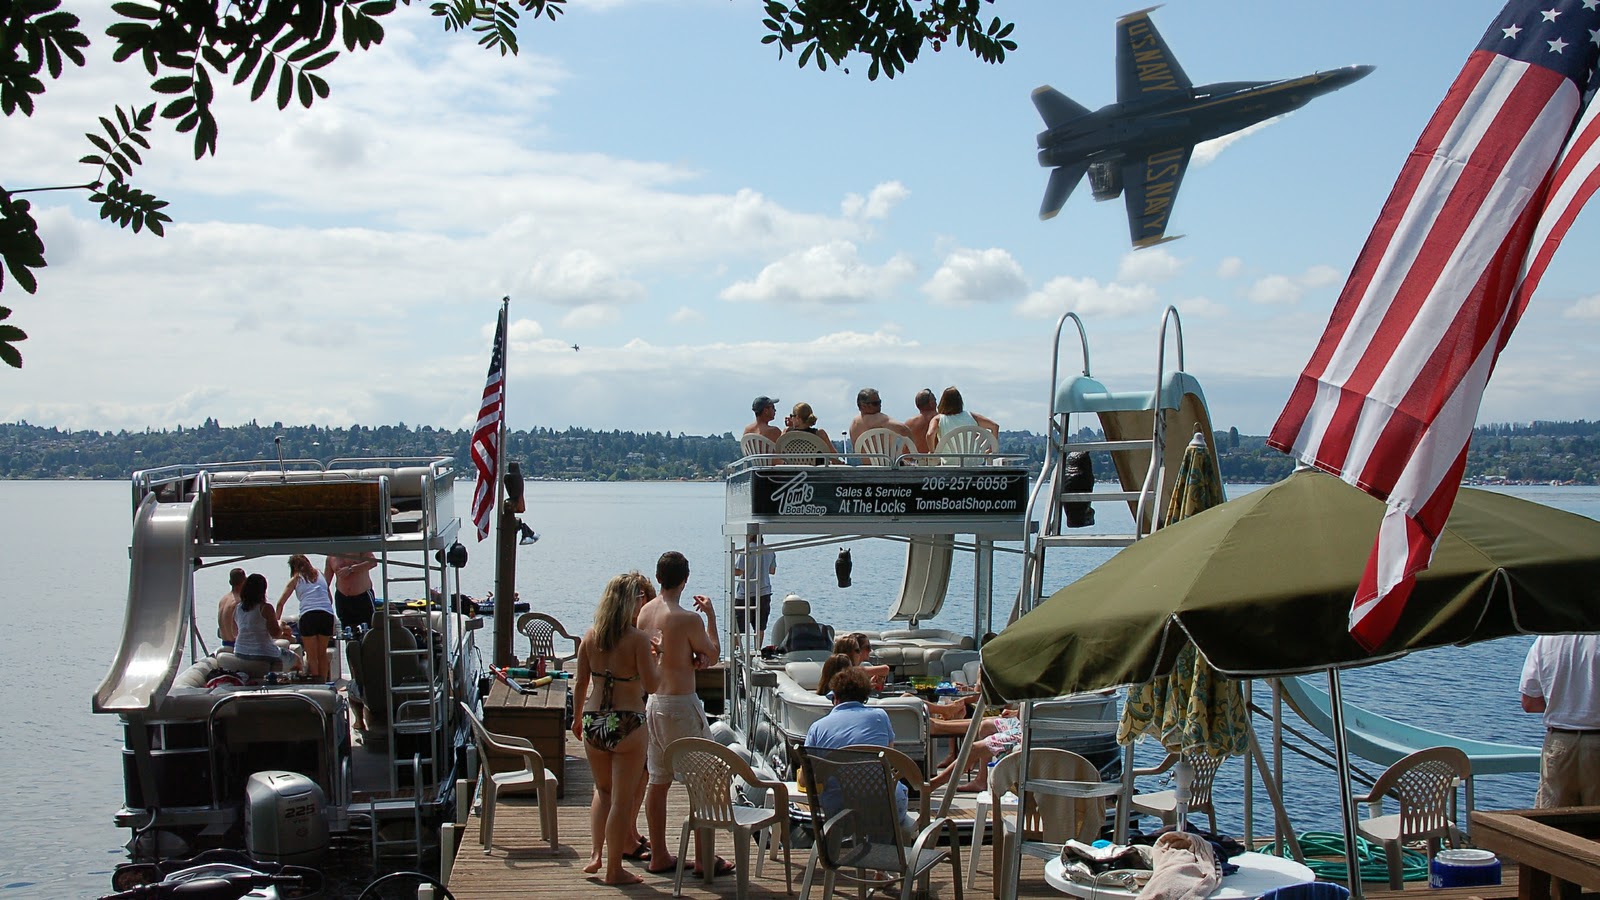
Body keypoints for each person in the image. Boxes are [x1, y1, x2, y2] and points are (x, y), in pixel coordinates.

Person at [635, 551, 727, 878]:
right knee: (703, 782)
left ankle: (658, 854)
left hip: (654, 704)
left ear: (658, 578)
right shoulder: (689, 618)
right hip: (682, 705)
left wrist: (690, 657)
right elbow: (713, 655)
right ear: (685, 580)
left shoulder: (644, 613)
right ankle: (704, 858)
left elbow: (659, 653)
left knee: (658, 781)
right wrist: (712, 616)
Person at [573, 573, 660, 885]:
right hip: (628, 721)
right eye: (638, 599)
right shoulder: (638, 639)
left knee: (603, 791)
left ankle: (596, 854)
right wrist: (657, 657)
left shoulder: (590, 635)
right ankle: (614, 870)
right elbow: (652, 684)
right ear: (629, 602)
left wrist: (575, 718)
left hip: (593, 719)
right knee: (622, 799)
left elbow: (580, 684)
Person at [803, 666, 916, 838]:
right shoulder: (880, 717)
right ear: (865, 695)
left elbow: (806, 779)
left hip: (840, 812)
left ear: (836, 697)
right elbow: (889, 759)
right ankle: (887, 853)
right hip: (885, 809)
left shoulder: (817, 728)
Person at [1519, 634, 1600, 806]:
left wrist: (1563, 705)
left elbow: (1529, 703)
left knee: (1551, 825)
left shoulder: (1546, 639)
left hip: (1559, 744)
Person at [276, 553, 337, 681]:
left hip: (308, 615)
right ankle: (325, 682)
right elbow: (329, 599)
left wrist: (277, 622)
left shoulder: (296, 579)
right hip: (326, 615)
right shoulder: (320, 574)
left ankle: (317, 682)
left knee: (311, 654)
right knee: (322, 653)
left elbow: (281, 603)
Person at [234, 573, 293, 667]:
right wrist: (281, 625)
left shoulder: (238, 608)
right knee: (295, 659)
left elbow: (234, 633)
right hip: (262, 652)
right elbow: (276, 634)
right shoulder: (266, 608)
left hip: (240, 651)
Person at [925, 386, 1000, 454]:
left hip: (950, 462)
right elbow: (995, 426)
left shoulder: (938, 419)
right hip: (975, 462)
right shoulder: (972, 416)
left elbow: (930, 435)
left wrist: (932, 452)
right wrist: (991, 449)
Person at [733, 535, 776, 641]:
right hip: (764, 591)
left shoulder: (746, 550)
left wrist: (731, 567)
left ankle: (737, 650)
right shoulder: (769, 550)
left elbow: (738, 571)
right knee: (760, 627)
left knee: (738, 627)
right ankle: (758, 650)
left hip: (745, 593)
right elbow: (772, 571)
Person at [325, 551, 377, 633]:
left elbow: (373, 562)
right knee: (347, 629)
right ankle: (350, 645)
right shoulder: (331, 557)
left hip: (362, 596)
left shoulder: (359, 549)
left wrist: (351, 569)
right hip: (342, 597)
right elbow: (326, 583)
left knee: (369, 627)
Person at [847, 387, 914, 448]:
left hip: (866, 461)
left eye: (880, 402)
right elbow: (903, 429)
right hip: (888, 460)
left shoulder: (853, 424)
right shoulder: (877, 418)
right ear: (863, 406)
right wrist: (913, 448)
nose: (880, 405)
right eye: (875, 403)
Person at [217, 567, 247, 650]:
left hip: (225, 644)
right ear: (244, 582)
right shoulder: (240, 602)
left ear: (230, 582)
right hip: (236, 646)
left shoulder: (223, 600)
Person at [903, 388, 939, 454]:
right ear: (931, 403)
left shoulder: (909, 423)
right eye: (935, 400)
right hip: (937, 461)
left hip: (917, 461)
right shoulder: (940, 419)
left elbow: (904, 450)